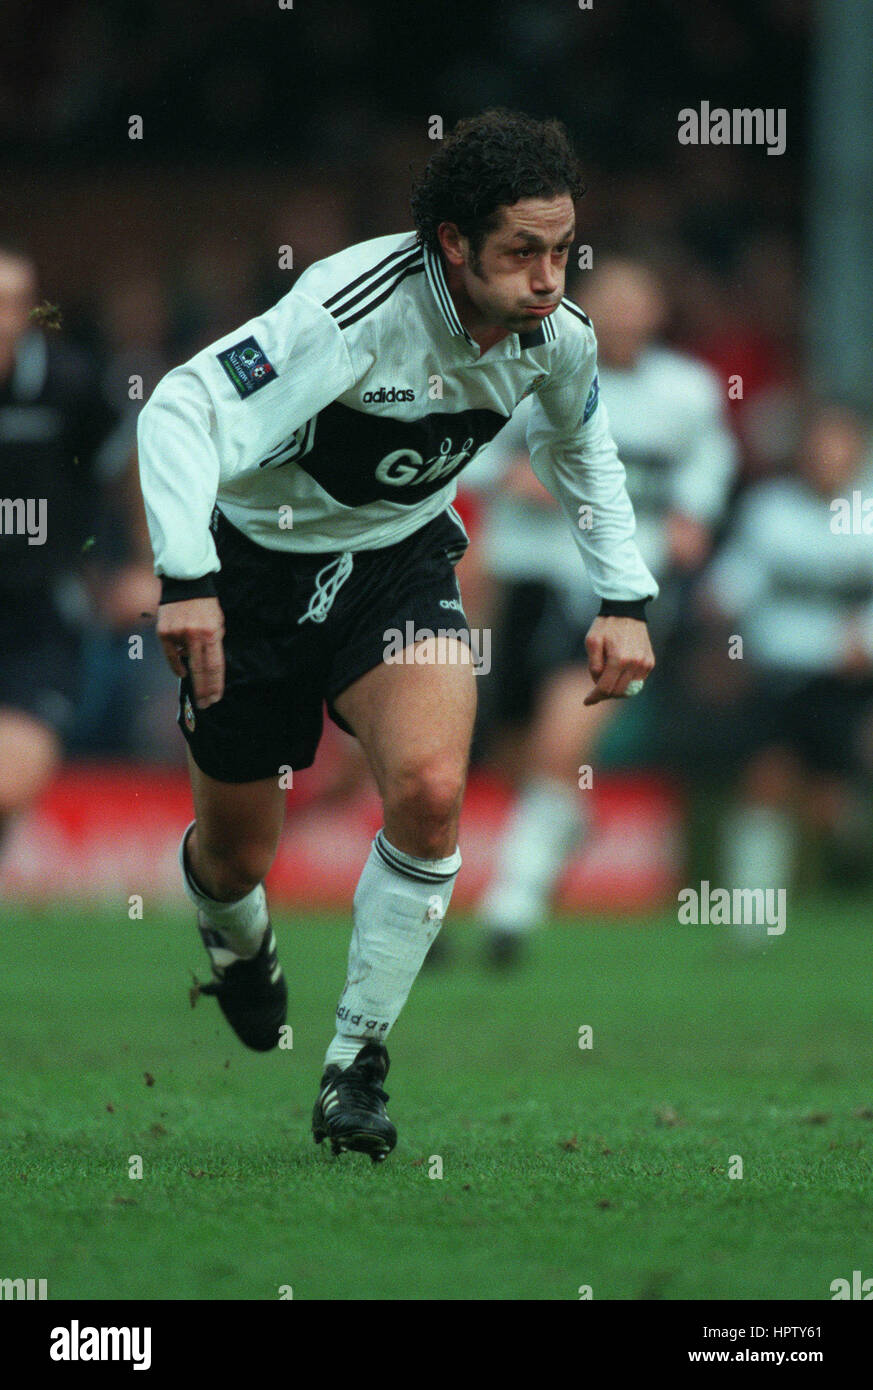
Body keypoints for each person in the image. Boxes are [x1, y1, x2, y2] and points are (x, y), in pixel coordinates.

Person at [136, 109, 657, 1164]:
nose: (548, 278)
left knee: (428, 787)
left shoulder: (553, 337)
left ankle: (354, 1063)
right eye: (522, 251)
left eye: (562, 250)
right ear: (454, 242)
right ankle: (237, 947)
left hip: (400, 564)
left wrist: (625, 596)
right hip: (252, 573)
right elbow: (181, 407)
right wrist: (186, 578)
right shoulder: (352, 306)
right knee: (238, 852)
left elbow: (581, 449)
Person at [462, 257, 737, 962]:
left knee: (564, 740)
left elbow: (709, 463)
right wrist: (507, 475)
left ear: (656, 312)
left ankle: (510, 908)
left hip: (618, 584)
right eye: (608, 300)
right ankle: (562, 821)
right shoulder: (532, 369)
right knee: (513, 750)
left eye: (634, 301)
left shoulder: (687, 390)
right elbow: (466, 450)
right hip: (526, 573)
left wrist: (692, 515)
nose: (620, 315)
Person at [704, 400, 873, 933]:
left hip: (845, 678)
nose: (825, 455)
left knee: (831, 804)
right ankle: (751, 921)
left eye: (838, 443)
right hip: (776, 671)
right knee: (764, 781)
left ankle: (852, 862)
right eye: (817, 443)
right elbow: (737, 578)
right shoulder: (770, 507)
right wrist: (718, 608)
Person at [0, 247, 129, 856]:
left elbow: (127, 471)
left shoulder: (71, 385)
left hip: (37, 617)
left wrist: (145, 568)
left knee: (9, 781)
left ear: (28, 313)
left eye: (10, 304)